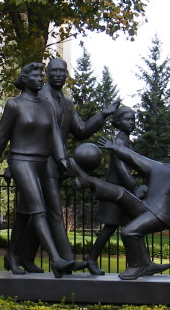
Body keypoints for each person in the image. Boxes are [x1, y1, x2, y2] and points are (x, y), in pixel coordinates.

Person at [14, 56, 115, 273]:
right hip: (37, 160)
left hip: (56, 164)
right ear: (47, 73)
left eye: (63, 71)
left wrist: (102, 115)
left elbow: (80, 131)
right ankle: (65, 260)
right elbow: (20, 130)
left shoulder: (67, 103)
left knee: (34, 213)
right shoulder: (37, 95)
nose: (59, 74)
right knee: (51, 211)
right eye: (54, 71)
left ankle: (23, 256)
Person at [0, 62, 79, 277]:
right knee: (39, 209)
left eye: (40, 76)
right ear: (24, 79)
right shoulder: (14, 105)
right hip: (21, 161)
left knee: (23, 215)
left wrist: (62, 160)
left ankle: (12, 255)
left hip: (42, 163)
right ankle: (57, 260)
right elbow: (1, 135)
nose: (40, 79)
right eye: (35, 75)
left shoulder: (46, 105)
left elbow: (54, 134)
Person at [71, 135, 170, 279]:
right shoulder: (159, 167)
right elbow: (134, 158)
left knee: (129, 232)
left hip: (160, 216)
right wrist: (115, 147)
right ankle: (87, 180)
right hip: (146, 208)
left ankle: (137, 266)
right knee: (121, 193)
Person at [82, 106, 139, 273]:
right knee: (111, 228)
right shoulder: (119, 141)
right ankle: (92, 260)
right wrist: (134, 187)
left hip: (121, 189)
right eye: (128, 119)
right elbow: (121, 169)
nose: (132, 123)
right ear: (117, 122)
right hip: (117, 190)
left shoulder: (125, 140)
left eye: (133, 120)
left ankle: (138, 264)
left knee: (132, 227)